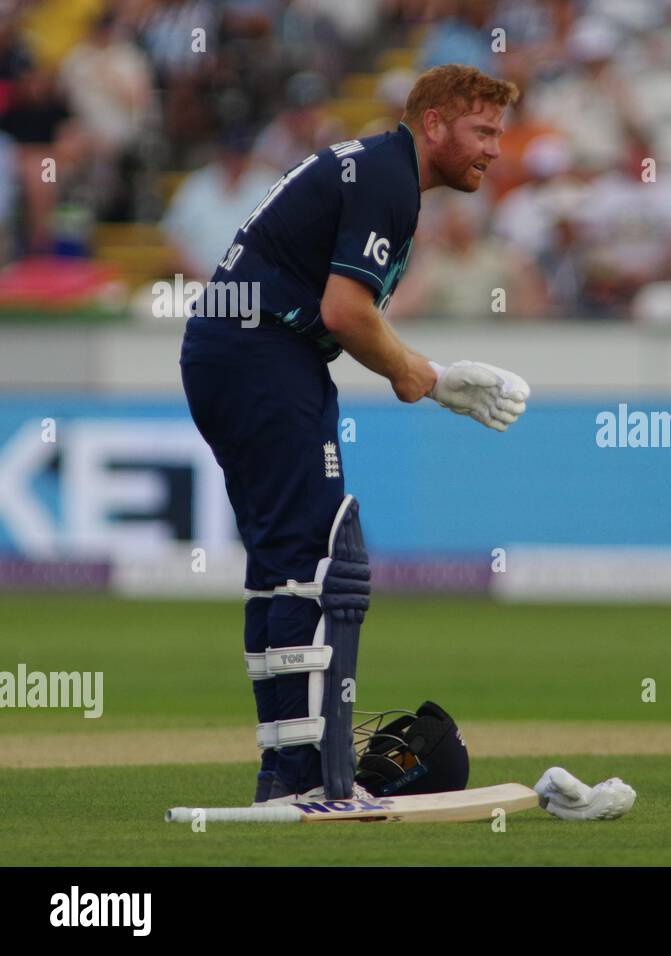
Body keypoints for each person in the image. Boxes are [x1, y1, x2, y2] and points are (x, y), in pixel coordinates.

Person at [179, 65, 530, 805]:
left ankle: (282, 775)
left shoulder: (374, 167)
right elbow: (344, 311)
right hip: (264, 353)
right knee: (313, 558)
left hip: (234, 352)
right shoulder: (389, 181)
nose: (495, 150)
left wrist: (420, 373)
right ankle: (307, 779)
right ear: (433, 123)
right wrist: (425, 377)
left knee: (280, 563)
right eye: (483, 131)